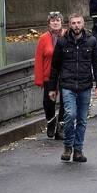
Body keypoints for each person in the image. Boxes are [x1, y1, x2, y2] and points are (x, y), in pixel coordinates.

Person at [46, 12, 97, 163]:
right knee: (70, 115)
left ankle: (78, 149)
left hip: (85, 85)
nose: (76, 26)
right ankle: (67, 147)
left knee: (82, 120)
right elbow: (55, 67)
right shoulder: (62, 42)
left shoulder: (91, 41)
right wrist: (52, 88)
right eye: (73, 23)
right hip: (68, 85)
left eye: (79, 23)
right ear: (69, 25)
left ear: (83, 24)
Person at [33, 11, 66, 139]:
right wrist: (39, 79)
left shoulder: (67, 35)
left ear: (61, 22)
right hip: (48, 75)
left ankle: (61, 127)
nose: (55, 22)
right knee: (48, 102)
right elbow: (38, 59)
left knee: (65, 101)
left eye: (57, 20)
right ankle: (51, 121)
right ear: (49, 23)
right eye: (53, 21)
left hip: (65, 74)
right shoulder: (43, 38)